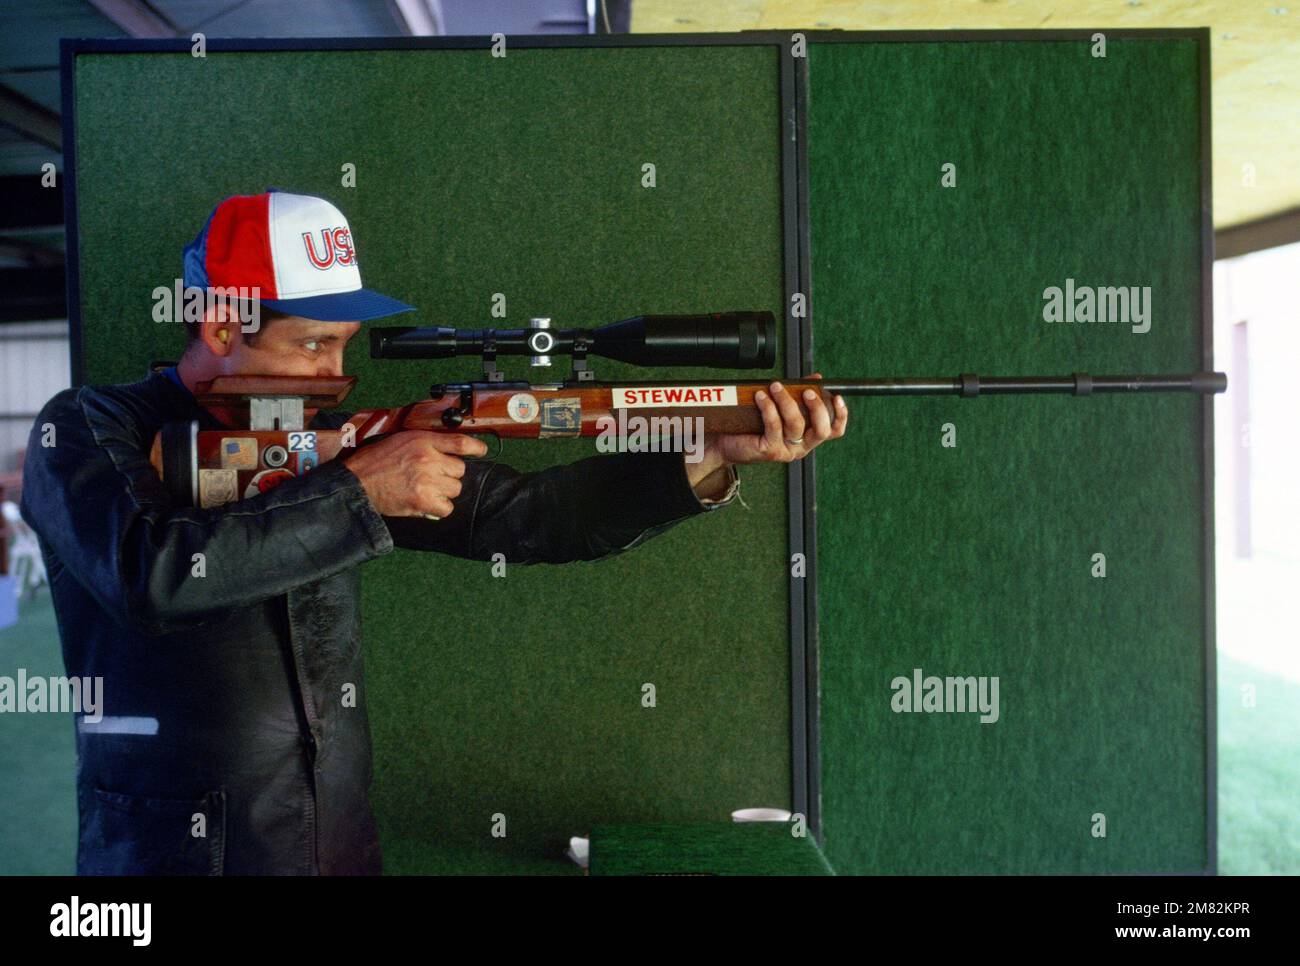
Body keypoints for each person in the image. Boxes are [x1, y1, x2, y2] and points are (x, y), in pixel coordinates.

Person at [20, 190, 847, 875]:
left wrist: (699, 451)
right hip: (170, 857)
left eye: (342, 344)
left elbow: (534, 520)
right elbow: (151, 578)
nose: (333, 375)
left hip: (339, 845)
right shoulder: (90, 426)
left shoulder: (339, 435)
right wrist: (358, 491)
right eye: (312, 344)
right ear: (222, 328)